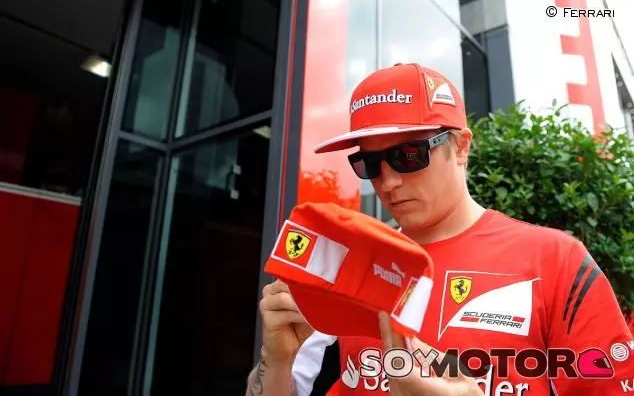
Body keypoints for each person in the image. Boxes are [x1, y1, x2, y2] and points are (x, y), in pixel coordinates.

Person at [245, 63, 634, 396]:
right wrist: (275, 360)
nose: (388, 182)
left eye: (408, 155)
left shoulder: (555, 260)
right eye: (370, 163)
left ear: (461, 147)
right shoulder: (348, 259)